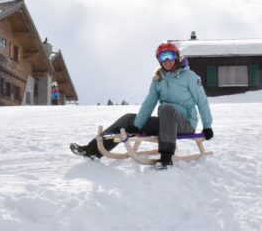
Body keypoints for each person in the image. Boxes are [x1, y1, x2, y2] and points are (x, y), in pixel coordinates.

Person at [70, 42, 213, 169]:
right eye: (163, 57)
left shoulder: (189, 77)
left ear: (176, 56)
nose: (167, 60)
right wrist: (138, 125)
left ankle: (166, 158)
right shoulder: (158, 79)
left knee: (166, 109)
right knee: (128, 119)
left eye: (169, 56)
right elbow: (149, 102)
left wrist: (207, 126)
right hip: (166, 123)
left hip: (185, 123)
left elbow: (202, 100)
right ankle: (92, 150)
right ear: (159, 60)